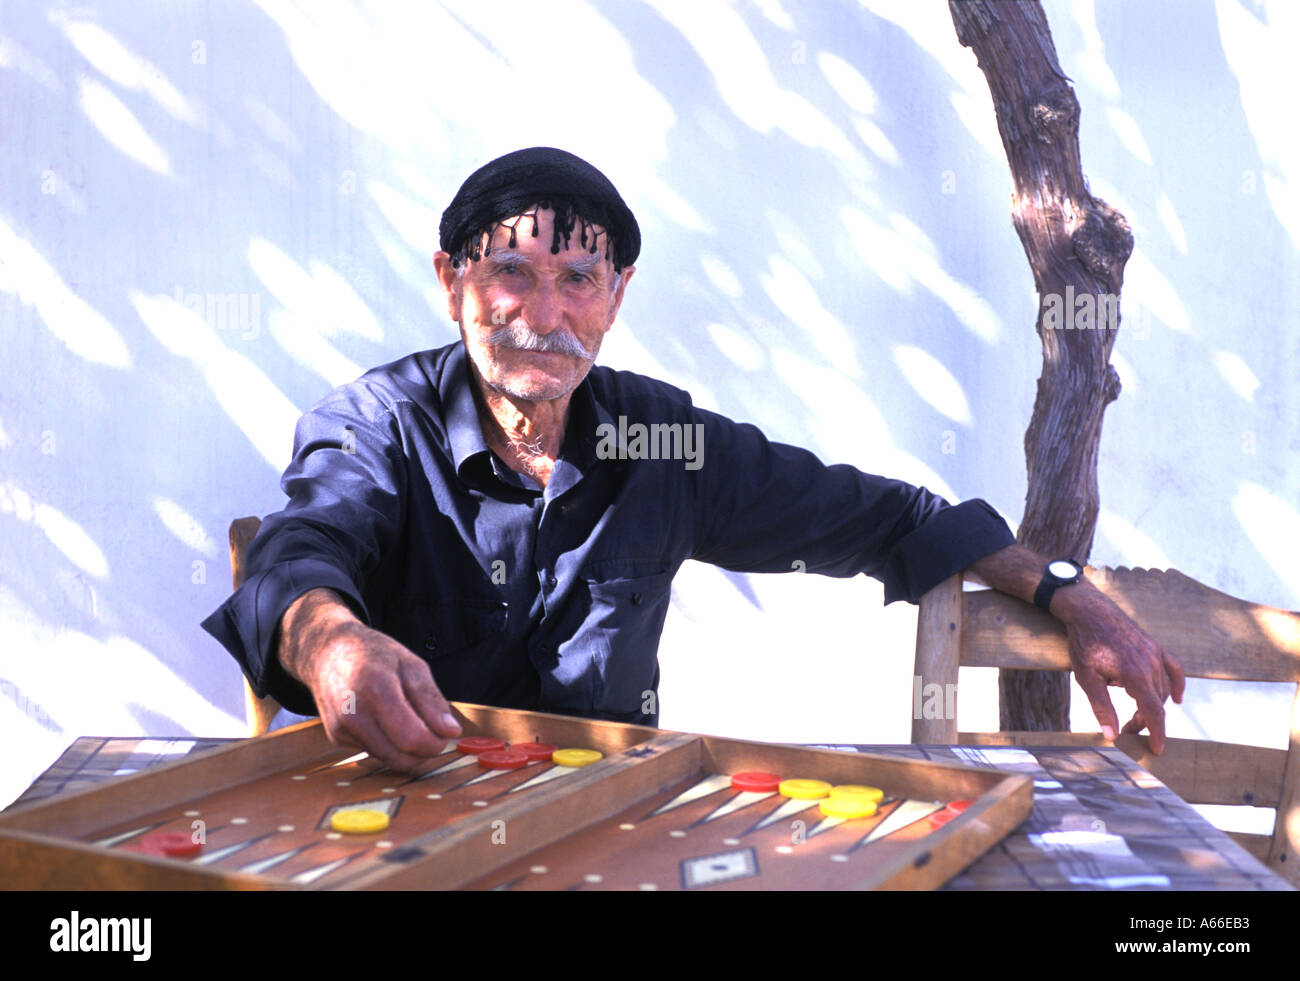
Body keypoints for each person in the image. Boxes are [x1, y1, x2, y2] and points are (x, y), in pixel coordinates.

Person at [202, 147, 1184, 773]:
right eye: (508, 272)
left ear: (616, 295)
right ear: (451, 282)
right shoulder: (377, 423)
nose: (543, 315)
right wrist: (330, 639)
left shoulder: (658, 443)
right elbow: (296, 553)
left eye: (577, 278)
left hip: (594, 831)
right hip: (390, 834)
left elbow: (890, 520)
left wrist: (1067, 594)